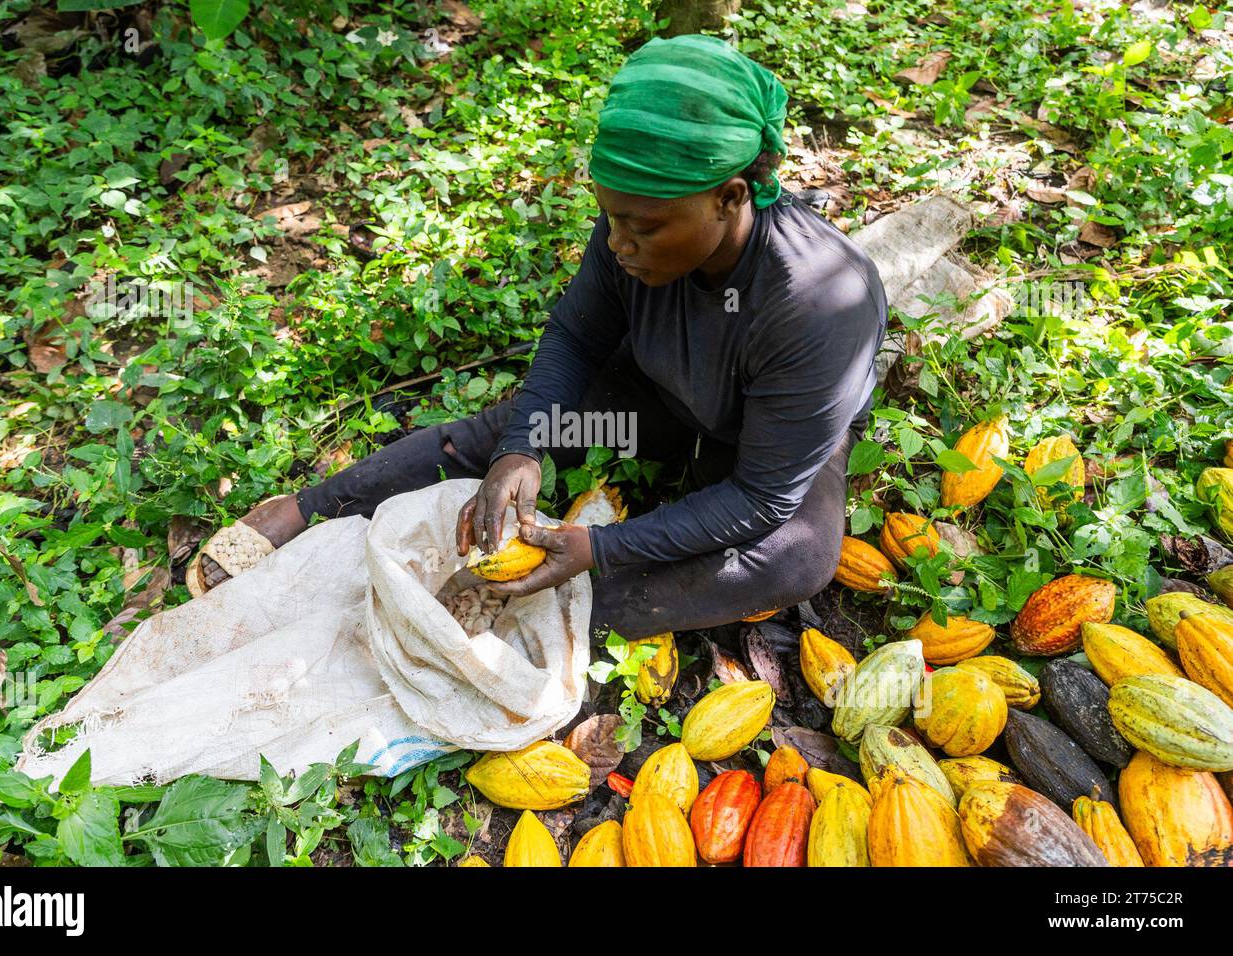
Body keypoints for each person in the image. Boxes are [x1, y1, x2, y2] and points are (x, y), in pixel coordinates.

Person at [185, 34, 887, 641]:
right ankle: (304, 509)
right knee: (513, 431)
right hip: (662, 398)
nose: (619, 243)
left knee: (796, 556)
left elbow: (761, 498)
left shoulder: (818, 306)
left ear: (729, 197)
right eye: (609, 218)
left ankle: (570, 611)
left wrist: (598, 548)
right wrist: (524, 448)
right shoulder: (632, 222)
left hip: (764, 446)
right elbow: (578, 336)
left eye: (642, 228)